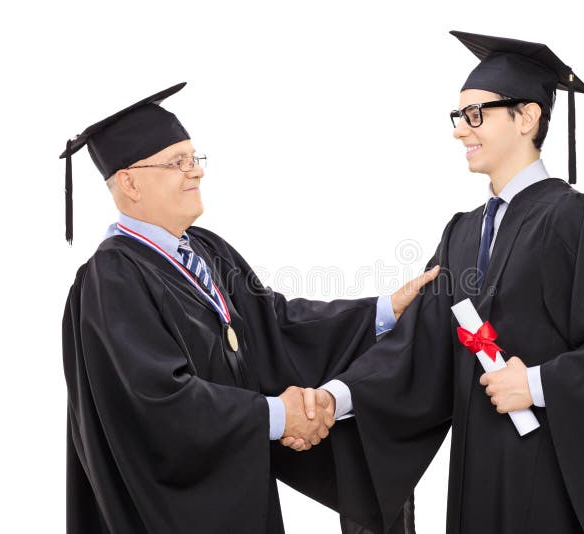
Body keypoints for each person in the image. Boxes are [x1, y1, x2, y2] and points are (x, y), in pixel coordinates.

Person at [292, 31, 584, 534]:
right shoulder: (462, 234)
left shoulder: (576, 219)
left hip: (552, 477)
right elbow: (419, 347)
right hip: (479, 477)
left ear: (527, 117)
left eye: (477, 115)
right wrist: (335, 399)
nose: (460, 131)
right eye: (459, 117)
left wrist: (537, 384)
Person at [60, 82, 434, 534]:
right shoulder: (111, 279)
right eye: (177, 162)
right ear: (130, 182)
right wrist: (277, 416)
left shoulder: (203, 250)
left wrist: (385, 309)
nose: (195, 172)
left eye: (194, 158)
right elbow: (160, 405)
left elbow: (273, 325)